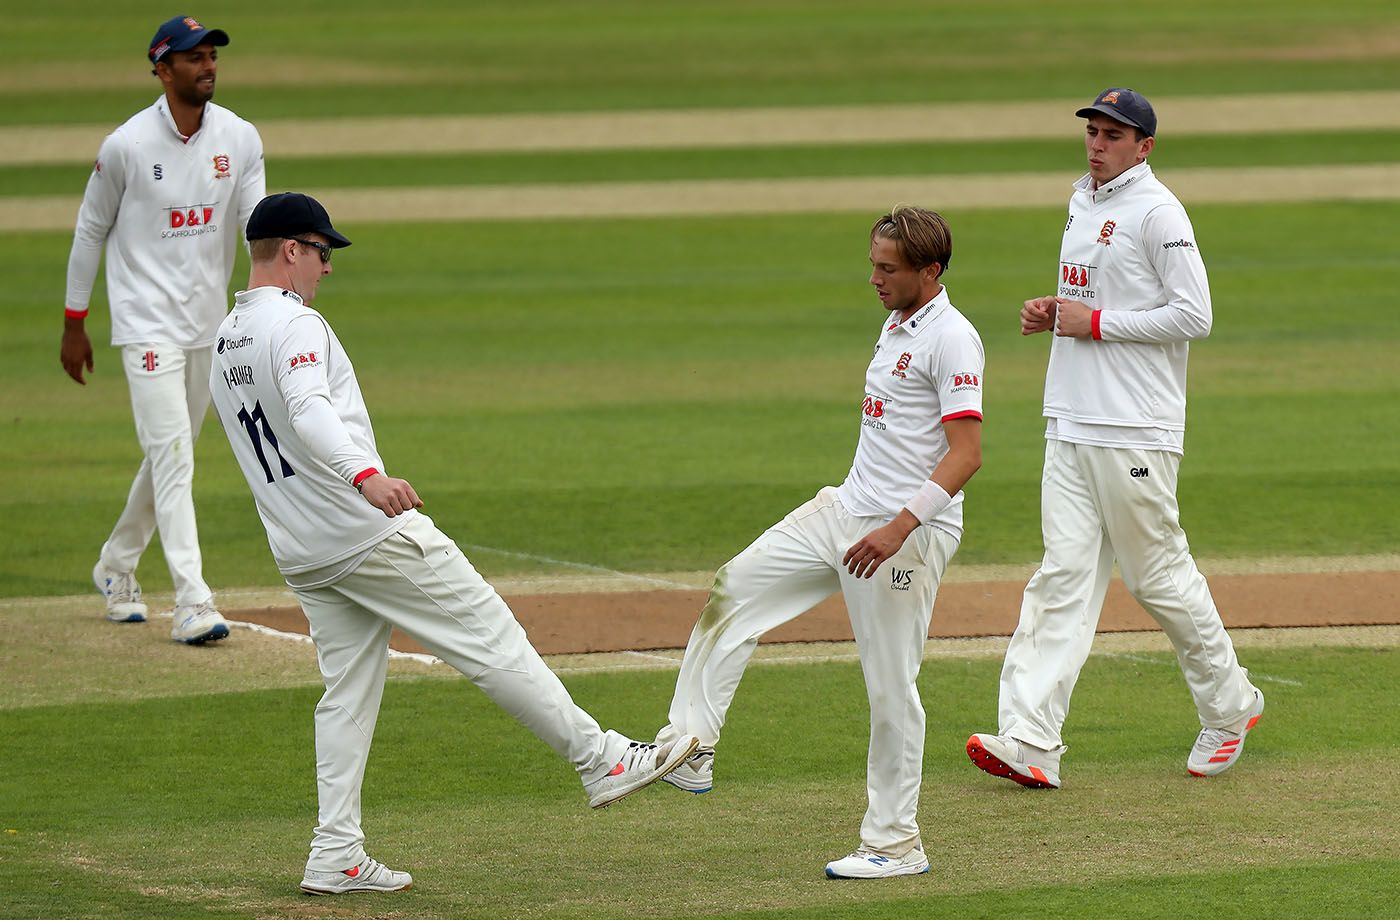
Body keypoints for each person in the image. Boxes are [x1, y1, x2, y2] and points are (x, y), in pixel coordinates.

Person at [207, 192, 699, 895]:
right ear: (291, 250)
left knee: (347, 694)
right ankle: (602, 760)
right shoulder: (295, 325)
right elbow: (311, 411)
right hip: (360, 532)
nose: (327, 268)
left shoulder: (228, 337)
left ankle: (335, 852)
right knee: (491, 637)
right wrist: (366, 476)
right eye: (322, 252)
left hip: (301, 548)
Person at [653, 206, 984, 879]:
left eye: (887, 269)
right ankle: (690, 746)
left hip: (904, 537)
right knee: (736, 587)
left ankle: (896, 844)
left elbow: (967, 453)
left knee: (891, 688)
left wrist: (898, 528)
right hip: (844, 511)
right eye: (873, 264)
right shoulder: (897, 321)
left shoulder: (953, 338)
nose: (874, 278)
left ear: (931, 271)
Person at [966, 88, 1264, 790]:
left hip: (1134, 426)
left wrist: (1094, 324)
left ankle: (1230, 707)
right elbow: (1099, 295)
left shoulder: (1158, 212)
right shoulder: (1085, 203)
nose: (1098, 143)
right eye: (1093, 131)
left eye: (1113, 134)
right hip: (1069, 417)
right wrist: (1056, 311)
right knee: (1061, 578)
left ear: (1144, 146)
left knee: (1156, 578)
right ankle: (1032, 740)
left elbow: (1195, 314)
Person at [61, 15, 266, 644]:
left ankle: (116, 566)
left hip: (209, 325)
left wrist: (267, 313)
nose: (206, 66)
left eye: (210, 56)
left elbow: (255, 230)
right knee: (174, 454)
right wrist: (75, 321)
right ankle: (192, 601)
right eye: (192, 57)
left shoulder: (240, 137)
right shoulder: (126, 145)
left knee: (168, 455)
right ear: (161, 67)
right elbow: (90, 229)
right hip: (146, 324)